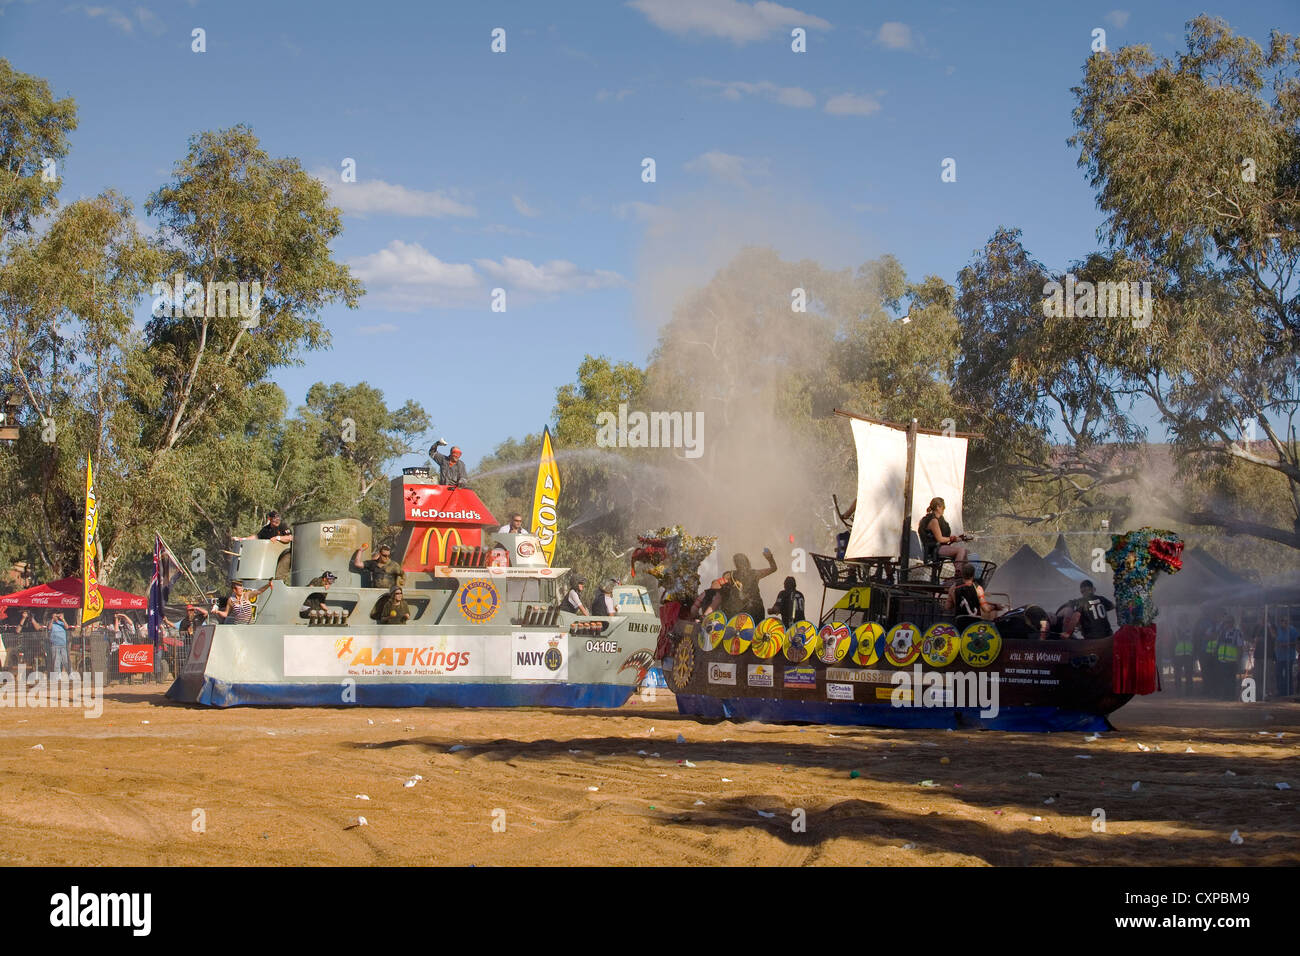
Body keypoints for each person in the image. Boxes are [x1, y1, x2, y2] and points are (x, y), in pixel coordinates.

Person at [918, 497, 970, 569]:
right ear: (938, 507)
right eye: (943, 507)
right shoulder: (933, 521)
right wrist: (953, 539)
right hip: (935, 549)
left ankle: (966, 575)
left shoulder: (939, 520)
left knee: (966, 552)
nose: (944, 509)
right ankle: (958, 574)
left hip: (940, 547)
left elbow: (944, 537)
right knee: (961, 551)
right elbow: (940, 539)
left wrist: (959, 537)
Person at [945, 563, 1000, 627]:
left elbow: (947, 607)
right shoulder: (978, 588)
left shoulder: (953, 588)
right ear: (973, 575)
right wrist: (996, 607)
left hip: (960, 622)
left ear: (962, 574)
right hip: (975, 624)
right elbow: (986, 609)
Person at [732, 549, 777, 620]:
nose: (741, 565)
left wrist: (770, 558)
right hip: (744, 607)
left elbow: (773, 568)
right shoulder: (732, 575)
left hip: (755, 606)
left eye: (741, 562)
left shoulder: (754, 573)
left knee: (756, 628)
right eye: (738, 562)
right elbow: (773, 568)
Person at [1217, 614, 1243, 700]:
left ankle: (1231, 695)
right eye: (1225, 622)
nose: (1226, 624)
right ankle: (1224, 695)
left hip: (1232, 660)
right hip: (1222, 660)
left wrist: (1239, 658)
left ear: (1232, 623)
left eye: (1228, 622)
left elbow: (1239, 646)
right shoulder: (1222, 632)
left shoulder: (1236, 632)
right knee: (1223, 679)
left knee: (1231, 679)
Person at [1275, 611, 1297, 697]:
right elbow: (1274, 640)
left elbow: (1296, 641)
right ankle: (1280, 692)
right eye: (1282, 621)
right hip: (1279, 657)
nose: (1284, 622)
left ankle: (1289, 692)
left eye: (1285, 621)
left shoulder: (1292, 629)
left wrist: (1287, 644)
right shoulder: (1277, 630)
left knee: (1288, 675)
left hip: (1289, 656)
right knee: (1278, 674)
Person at [1173, 618, 1196, 696]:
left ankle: (1189, 691)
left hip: (1188, 654)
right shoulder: (1176, 629)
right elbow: (1175, 639)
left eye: (1185, 620)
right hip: (1178, 654)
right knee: (1178, 674)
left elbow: (1190, 638)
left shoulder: (1190, 629)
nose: (1183, 622)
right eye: (1182, 620)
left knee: (1188, 673)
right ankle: (1178, 691)